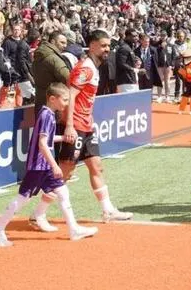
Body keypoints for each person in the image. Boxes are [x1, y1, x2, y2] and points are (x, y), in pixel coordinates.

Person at [29, 29, 132, 229]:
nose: (107, 49)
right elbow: (70, 95)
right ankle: (38, 214)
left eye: (108, 46)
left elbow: (84, 98)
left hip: (85, 125)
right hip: (75, 126)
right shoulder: (86, 69)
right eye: (103, 45)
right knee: (65, 171)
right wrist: (69, 125)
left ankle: (108, 210)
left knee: (96, 166)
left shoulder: (92, 67)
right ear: (92, 45)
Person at [0, 83, 98, 246]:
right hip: (39, 165)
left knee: (62, 192)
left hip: (44, 165)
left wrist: (62, 138)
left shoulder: (48, 114)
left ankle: (74, 229)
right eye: (65, 100)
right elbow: (42, 144)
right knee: (23, 197)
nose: (67, 103)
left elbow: (47, 140)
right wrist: (55, 165)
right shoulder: (46, 115)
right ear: (53, 99)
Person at [30, 30, 71, 108]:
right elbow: (68, 78)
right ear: (52, 41)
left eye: (66, 43)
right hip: (53, 104)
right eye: (62, 42)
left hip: (40, 100)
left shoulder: (40, 54)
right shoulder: (54, 59)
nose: (65, 46)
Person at [176, 46, 191, 114]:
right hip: (186, 82)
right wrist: (184, 71)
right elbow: (180, 74)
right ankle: (181, 109)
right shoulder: (183, 66)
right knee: (185, 95)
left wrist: (189, 72)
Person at [114, 29, 139, 93]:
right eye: (134, 36)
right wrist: (135, 70)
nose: (136, 38)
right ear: (128, 37)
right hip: (125, 81)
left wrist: (135, 60)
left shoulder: (130, 47)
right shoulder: (124, 48)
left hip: (131, 80)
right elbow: (121, 63)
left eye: (137, 36)